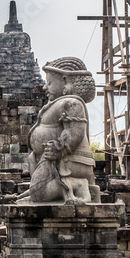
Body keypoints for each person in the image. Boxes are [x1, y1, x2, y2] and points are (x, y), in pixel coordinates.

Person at [24, 57, 97, 204]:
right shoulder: (57, 104)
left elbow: (75, 133)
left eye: (49, 83)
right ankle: (42, 189)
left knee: (39, 193)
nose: (45, 87)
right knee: (34, 177)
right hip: (51, 158)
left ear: (65, 81)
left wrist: (60, 149)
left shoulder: (72, 103)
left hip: (70, 160)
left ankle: (78, 186)